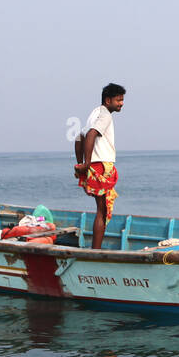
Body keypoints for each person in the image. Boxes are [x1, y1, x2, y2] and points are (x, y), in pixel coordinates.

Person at [74, 83, 124, 248]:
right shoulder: (105, 116)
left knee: (101, 209)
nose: (121, 104)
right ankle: (95, 252)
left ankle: (95, 250)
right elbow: (90, 134)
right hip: (101, 166)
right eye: (118, 100)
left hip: (95, 166)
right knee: (102, 211)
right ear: (108, 100)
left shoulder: (94, 113)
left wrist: (80, 163)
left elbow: (79, 137)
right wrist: (86, 164)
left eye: (122, 100)